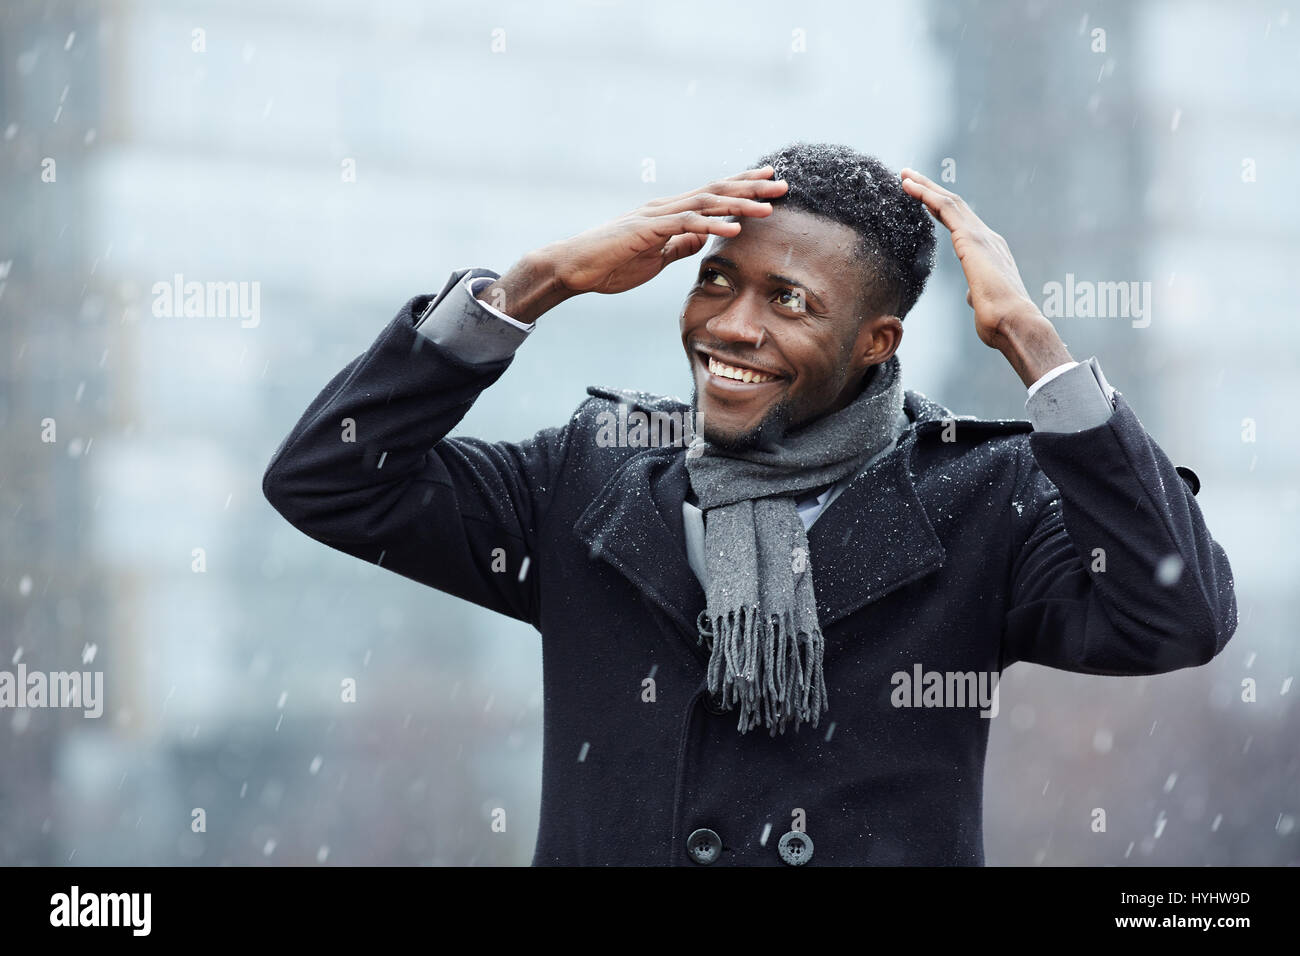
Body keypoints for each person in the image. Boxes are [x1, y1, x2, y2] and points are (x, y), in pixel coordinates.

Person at [262, 142, 1237, 866]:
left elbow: (1176, 613)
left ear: (876, 341)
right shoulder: (592, 473)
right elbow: (334, 476)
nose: (732, 325)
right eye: (716, 281)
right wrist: (535, 284)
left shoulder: (982, 498)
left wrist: (1034, 346)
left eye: (789, 300)